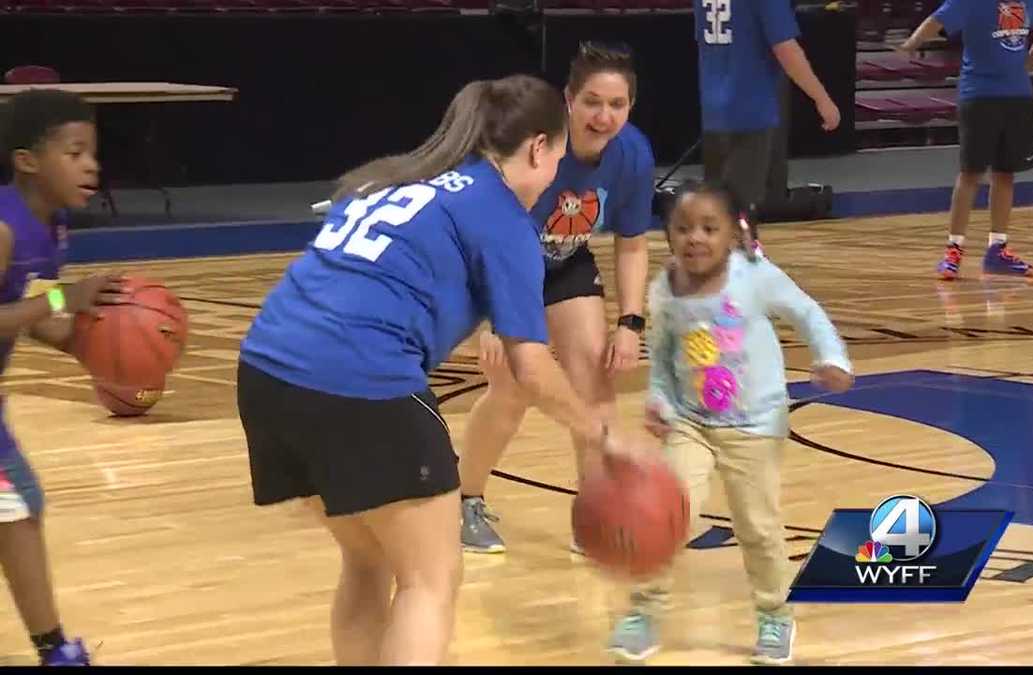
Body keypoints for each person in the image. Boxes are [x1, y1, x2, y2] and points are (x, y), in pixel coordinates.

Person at [235, 74, 627, 666]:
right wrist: (601, 433)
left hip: (266, 374)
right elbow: (530, 368)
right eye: (555, 162)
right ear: (539, 148)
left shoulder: (399, 181)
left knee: (368, 561)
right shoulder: (501, 214)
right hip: (359, 382)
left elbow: (384, 279)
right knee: (431, 580)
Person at [605, 181, 854, 666]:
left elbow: (807, 312)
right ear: (669, 234)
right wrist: (659, 401)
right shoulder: (664, 290)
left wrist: (831, 357)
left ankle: (775, 616)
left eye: (708, 228)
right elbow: (660, 361)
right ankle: (643, 613)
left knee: (759, 529)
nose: (695, 238)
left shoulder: (755, 278)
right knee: (668, 517)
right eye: (683, 228)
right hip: (690, 424)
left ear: (733, 235)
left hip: (755, 427)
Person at [457, 42, 655, 555]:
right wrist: (495, 319)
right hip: (503, 268)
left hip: (564, 264)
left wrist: (630, 324)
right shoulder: (534, 147)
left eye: (617, 105)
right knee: (513, 389)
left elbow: (632, 243)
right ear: (568, 100)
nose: (604, 115)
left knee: (596, 381)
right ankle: (465, 500)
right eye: (592, 101)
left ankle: (592, 516)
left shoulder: (633, 154)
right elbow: (491, 234)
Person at [0, 89, 126, 666]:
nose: (91, 165)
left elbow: (26, 320)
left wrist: (93, 347)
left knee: (20, 506)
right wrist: (61, 297)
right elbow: (36, 305)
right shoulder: (3, 228)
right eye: (75, 152)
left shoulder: (50, 230)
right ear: (28, 161)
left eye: (93, 153)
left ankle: (54, 648)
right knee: (17, 507)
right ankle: (55, 651)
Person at [897, 0, 1033, 280]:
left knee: (1005, 173)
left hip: (1017, 96)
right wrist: (911, 43)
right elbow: (936, 20)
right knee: (971, 173)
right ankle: (954, 249)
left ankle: (997, 249)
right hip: (979, 95)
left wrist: (1032, 56)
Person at [693, 0, 842, 252]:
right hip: (750, 108)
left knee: (718, 204)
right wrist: (822, 98)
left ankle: (720, 276)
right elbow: (785, 48)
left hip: (713, 109)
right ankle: (743, 271)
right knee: (739, 209)